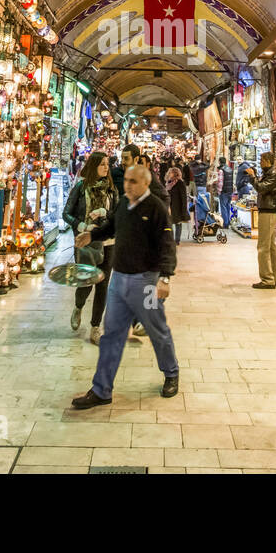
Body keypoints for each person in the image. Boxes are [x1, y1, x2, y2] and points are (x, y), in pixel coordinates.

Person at [71, 164, 179, 408]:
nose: (127, 185)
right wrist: (92, 235)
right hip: (119, 280)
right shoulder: (122, 204)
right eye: (126, 180)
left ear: (145, 184)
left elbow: (167, 244)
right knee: (112, 336)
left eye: (133, 181)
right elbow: (111, 227)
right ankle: (101, 389)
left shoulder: (156, 209)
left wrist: (165, 278)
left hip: (147, 283)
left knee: (157, 329)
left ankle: (171, 372)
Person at [63, 151, 116, 344]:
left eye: (107, 164)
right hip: (85, 242)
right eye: (102, 164)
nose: (106, 167)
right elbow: (66, 213)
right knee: (86, 282)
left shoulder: (111, 190)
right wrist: (81, 226)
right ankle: (78, 306)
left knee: (102, 285)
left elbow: (116, 215)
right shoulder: (81, 187)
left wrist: (106, 213)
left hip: (108, 243)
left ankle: (95, 327)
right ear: (93, 166)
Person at [253, 151, 276, 289]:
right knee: (271, 246)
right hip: (267, 211)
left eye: (262, 160)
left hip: (268, 212)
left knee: (263, 247)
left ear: (269, 161)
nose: (260, 162)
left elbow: (261, 188)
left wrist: (252, 177)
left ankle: (267, 279)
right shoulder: (269, 174)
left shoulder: (273, 175)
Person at [165, 163, 189, 243]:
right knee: (170, 223)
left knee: (178, 223)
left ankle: (177, 240)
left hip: (177, 206)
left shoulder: (180, 183)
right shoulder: (168, 182)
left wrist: (184, 209)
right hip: (169, 206)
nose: (169, 174)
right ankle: (171, 239)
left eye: (171, 173)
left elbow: (183, 197)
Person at [218, 155, 234, 230]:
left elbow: (220, 182)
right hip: (230, 191)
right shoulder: (230, 169)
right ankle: (228, 222)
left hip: (224, 191)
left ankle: (225, 223)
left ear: (220, 162)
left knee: (223, 207)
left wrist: (219, 191)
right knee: (228, 206)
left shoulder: (221, 170)